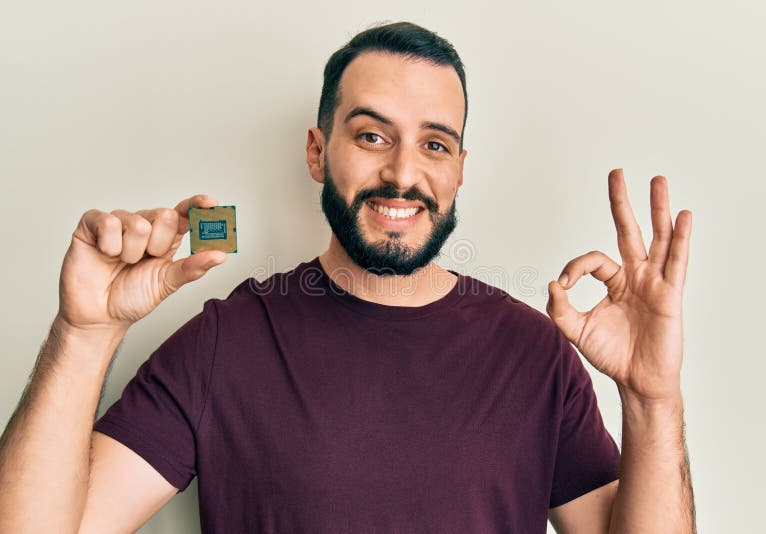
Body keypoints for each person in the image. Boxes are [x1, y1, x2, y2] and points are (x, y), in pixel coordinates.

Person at [0, 21, 695, 533]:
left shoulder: (535, 354)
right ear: (316, 150)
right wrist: (84, 333)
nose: (402, 172)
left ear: (458, 168)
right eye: (370, 135)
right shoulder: (227, 342)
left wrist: (652, 397)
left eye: (433, 144)